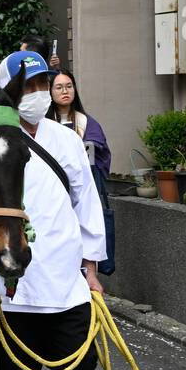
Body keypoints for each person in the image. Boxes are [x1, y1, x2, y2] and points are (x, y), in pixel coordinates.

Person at [0, 50, 107, 370]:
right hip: (14, 282)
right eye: (28, 87)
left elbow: (86, 198)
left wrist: (92, 267)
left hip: (68, 278)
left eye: (42, 85)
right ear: (9, 92)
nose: (37, 95)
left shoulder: (66, 138)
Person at [47, 69, 113, 274]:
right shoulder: (44, 124)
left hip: (81, 191)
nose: (65, 91)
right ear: (49, 92)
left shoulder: (86, 122)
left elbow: (99, 155)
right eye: (58, 87)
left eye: (69, 86)